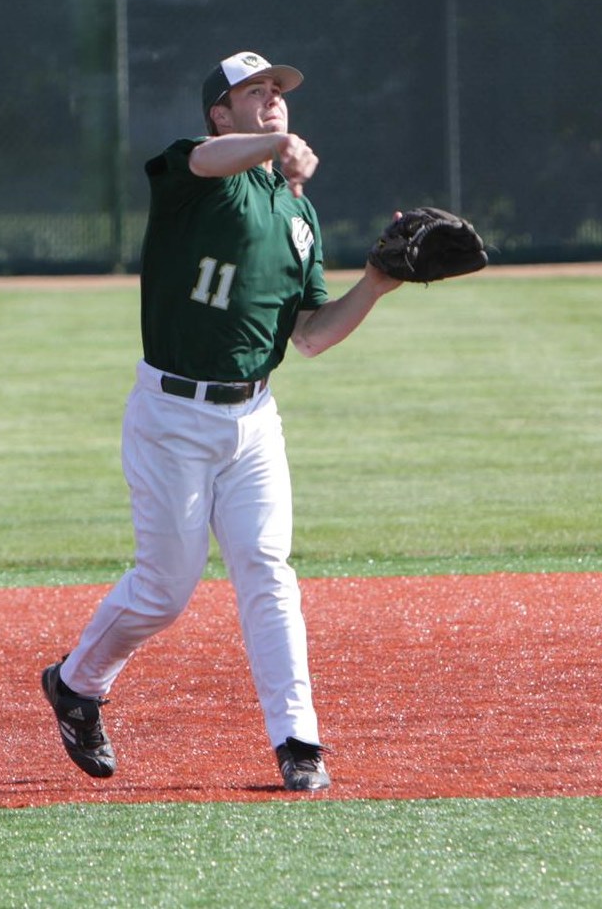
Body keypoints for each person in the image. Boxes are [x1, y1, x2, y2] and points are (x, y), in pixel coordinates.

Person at [40, 51, 402, 792]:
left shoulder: (296, 212)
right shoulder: (194, 175)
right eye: (254, 91)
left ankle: (298, 742)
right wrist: (274, 145)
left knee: (268, 572)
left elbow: (311, 336)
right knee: (164, 591)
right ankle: (76, 683)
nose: (272, 99)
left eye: (278, 91)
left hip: (254, 419)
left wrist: (376, 283)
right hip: (171, 415)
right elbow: (210, 160)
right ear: (219, 113)